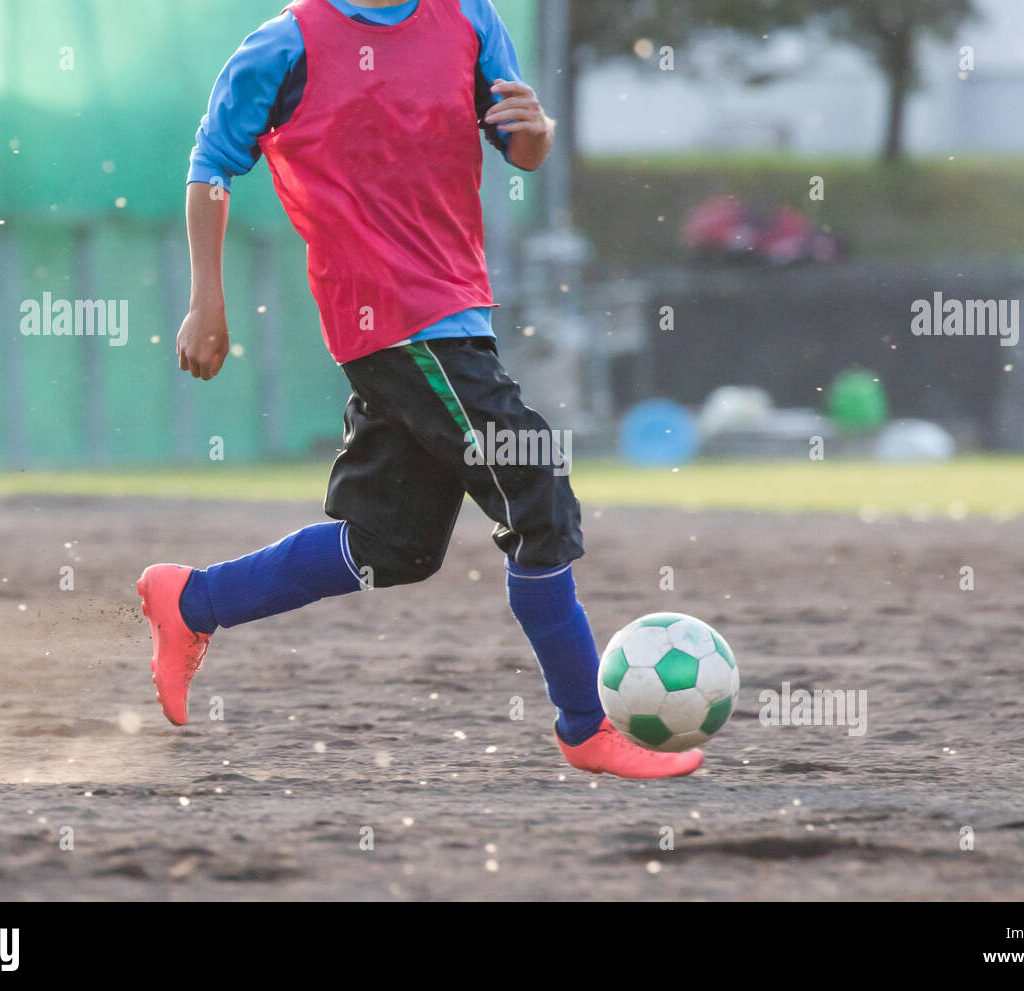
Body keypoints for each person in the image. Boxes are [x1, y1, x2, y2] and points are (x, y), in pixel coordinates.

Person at [136, 0, 703, 778]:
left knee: (389, 546)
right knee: (534, 481)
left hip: (456, 312)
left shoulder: (469, 17)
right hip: (394, 319)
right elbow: (212, 166)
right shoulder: (286, 44)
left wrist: (536, 132)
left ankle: (192, 601)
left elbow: (522, 147)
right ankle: (584, 726)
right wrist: (207, 301)